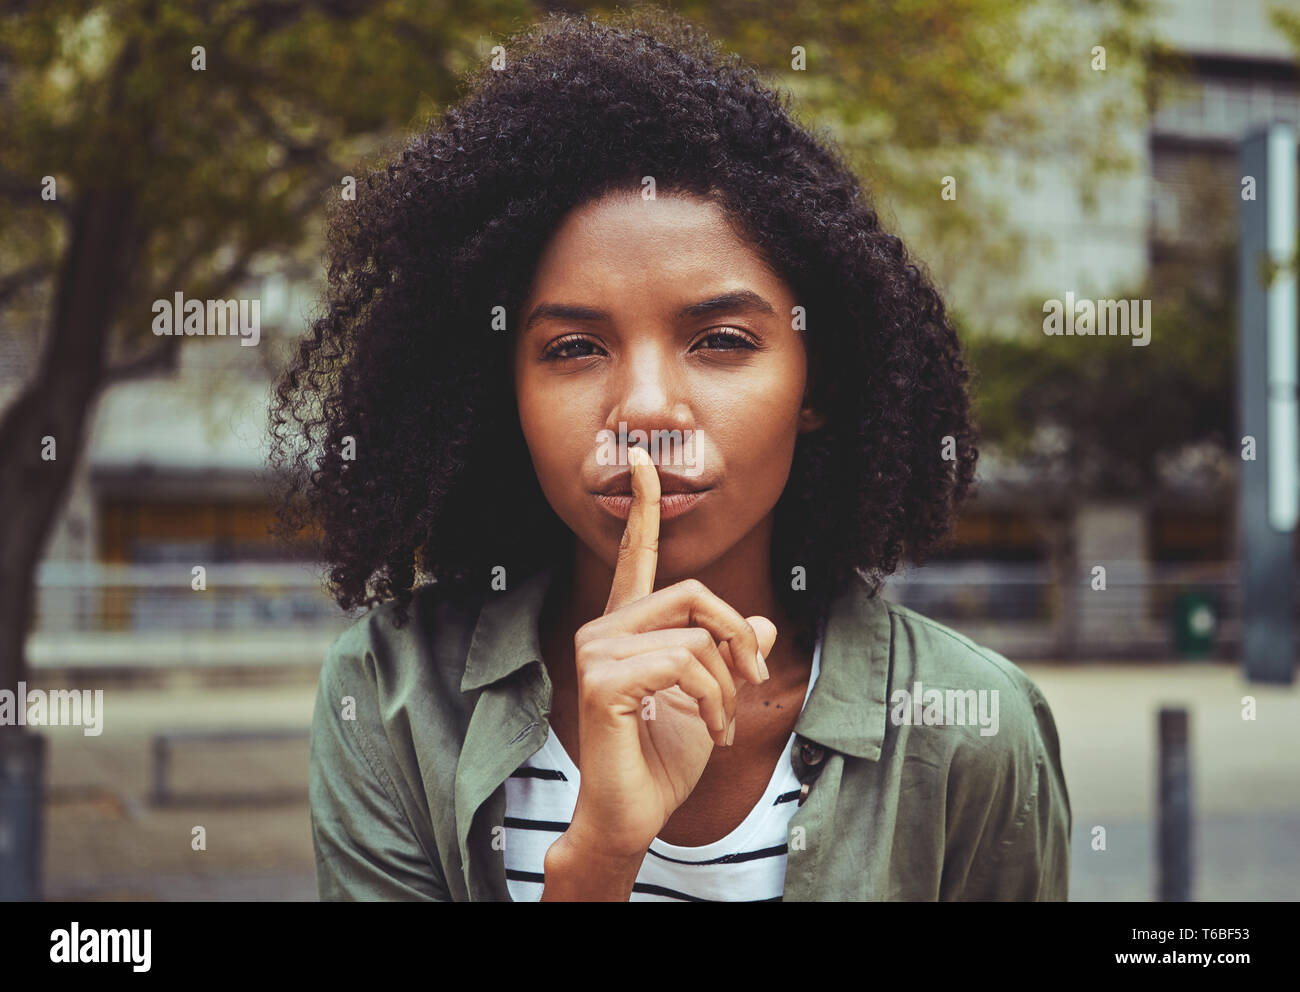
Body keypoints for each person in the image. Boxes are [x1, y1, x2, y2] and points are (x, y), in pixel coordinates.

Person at [269, 7, 1071, 901]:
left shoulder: (970, 726)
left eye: (721, 339)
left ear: (819, 384)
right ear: (502, 395)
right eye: (574, 348)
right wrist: (601, 855)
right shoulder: (393, 692)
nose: (646, 410)